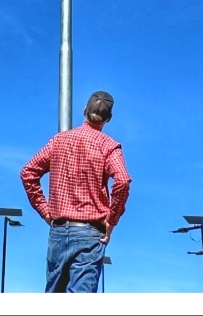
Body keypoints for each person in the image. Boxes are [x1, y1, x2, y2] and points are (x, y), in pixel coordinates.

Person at [20, 90, 132, 292]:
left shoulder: (58, 141)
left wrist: (45, 211)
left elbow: (28, 173)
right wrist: (111, 221)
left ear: (84, 111)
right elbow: (122, 181)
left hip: (58, 231)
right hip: (90, 232)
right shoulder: (109, 146)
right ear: (109, 119)